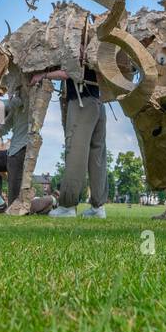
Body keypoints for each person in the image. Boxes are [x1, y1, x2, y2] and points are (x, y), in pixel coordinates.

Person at [30, 64, 107, 219]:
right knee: (97, 157)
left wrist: (43, 75)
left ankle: (67, 206)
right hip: (98, 103)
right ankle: (98, 207)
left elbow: (67, 72)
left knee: (76, 154)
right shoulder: (96, 45)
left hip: (81, 101)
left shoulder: (79, 41)